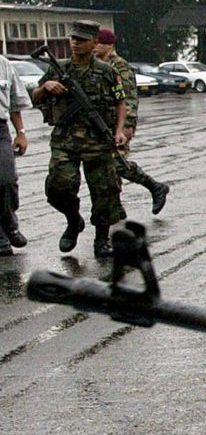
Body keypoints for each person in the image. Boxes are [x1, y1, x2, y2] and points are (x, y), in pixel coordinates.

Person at [31, 20, 127, 257]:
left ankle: (101, 239)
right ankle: (73, 221)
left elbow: (120, 101)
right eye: (73, 39)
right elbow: (35, 97)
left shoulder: (107, 72)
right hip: (65, 141)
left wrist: (119, 131)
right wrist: (46, 87)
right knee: (57, 188)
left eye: (82, 40)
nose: (76, 43)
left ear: (94, 43)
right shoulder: (58, 69)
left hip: (97, 142)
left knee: (104, 192)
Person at [95, 29, 171, 213]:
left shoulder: (120, 66)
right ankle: (116, 206)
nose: (95, 47)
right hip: (101, 123)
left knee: (116, 163)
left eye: (99, 44)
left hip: (118, 124)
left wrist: (127, 125)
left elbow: (128, 97)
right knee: (105, 167)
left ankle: (154, 186)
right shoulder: (96, 65)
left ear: (109, 45)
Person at [0, 54, 32, 256]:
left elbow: (14, 103)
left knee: (7, 180)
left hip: (0, 129)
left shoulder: (3, 65)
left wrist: (21, 132)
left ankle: (9, 223)